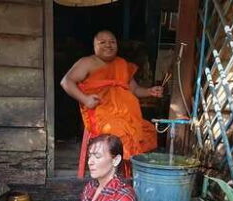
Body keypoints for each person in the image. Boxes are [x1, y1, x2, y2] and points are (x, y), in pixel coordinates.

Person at [60, 30, 162, 173]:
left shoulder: (122, 64)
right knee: (120, 133)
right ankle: (117, 175)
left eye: (112, 42)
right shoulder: (87, 62)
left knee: (148, 130)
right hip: (101, 113)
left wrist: (149, 91)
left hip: (127, 115)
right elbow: (66, 81)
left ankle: (132, 173)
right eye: (102, 42)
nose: (108, 45)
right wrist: (85, 99)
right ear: (94, 45)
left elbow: (134, 89)